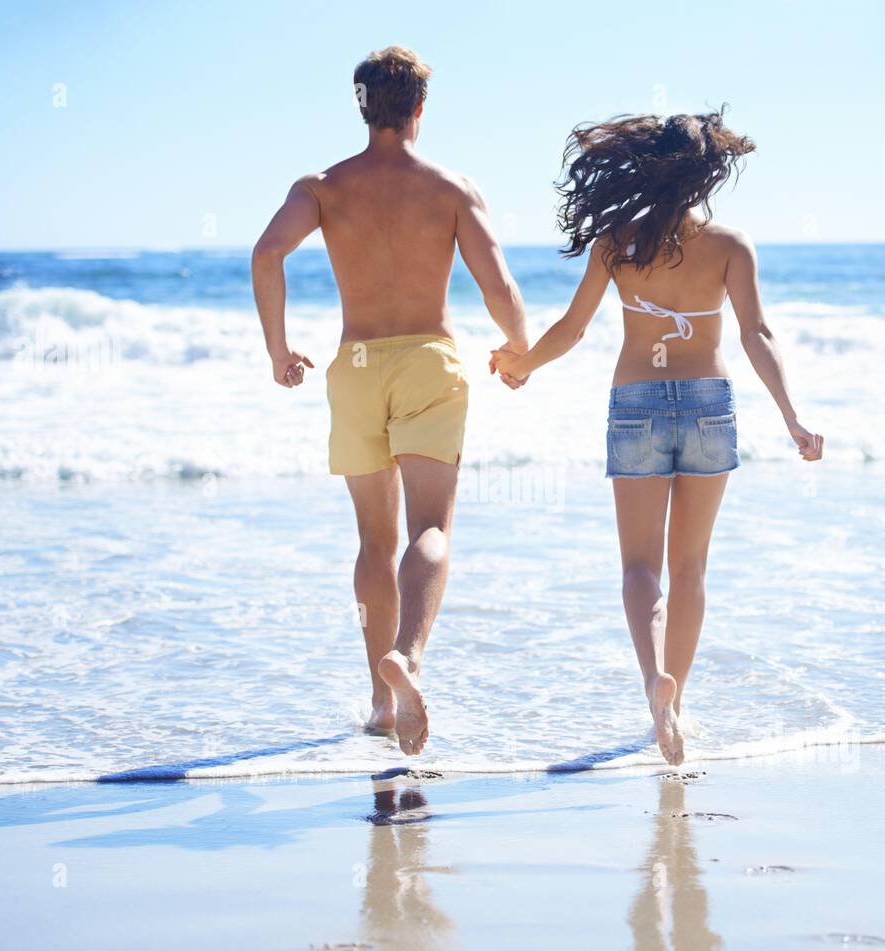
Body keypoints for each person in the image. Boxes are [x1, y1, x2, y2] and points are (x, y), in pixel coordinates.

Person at [492, 110, 823, 766]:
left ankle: (656, 690)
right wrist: (791, 414)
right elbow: (758, 334)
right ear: (708, 173)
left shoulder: (617, 243)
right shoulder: (731, 244)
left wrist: (521, 364)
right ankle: (679, 701)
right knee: (690, 565)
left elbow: (574, 328)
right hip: (707, 404)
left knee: (640, 567)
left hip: (637, 403)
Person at [252, 46, 528, 755]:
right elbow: (498, 283)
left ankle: (379, 702)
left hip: (357, 363)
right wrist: (517, 346)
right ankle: (406, 654)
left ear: (362, 105)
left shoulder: (322, 186)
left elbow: (265, 253)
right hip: (429, 361)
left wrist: (278, 350)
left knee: (374, 539)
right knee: (430, 528)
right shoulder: (451, 187)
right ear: (420, 109)